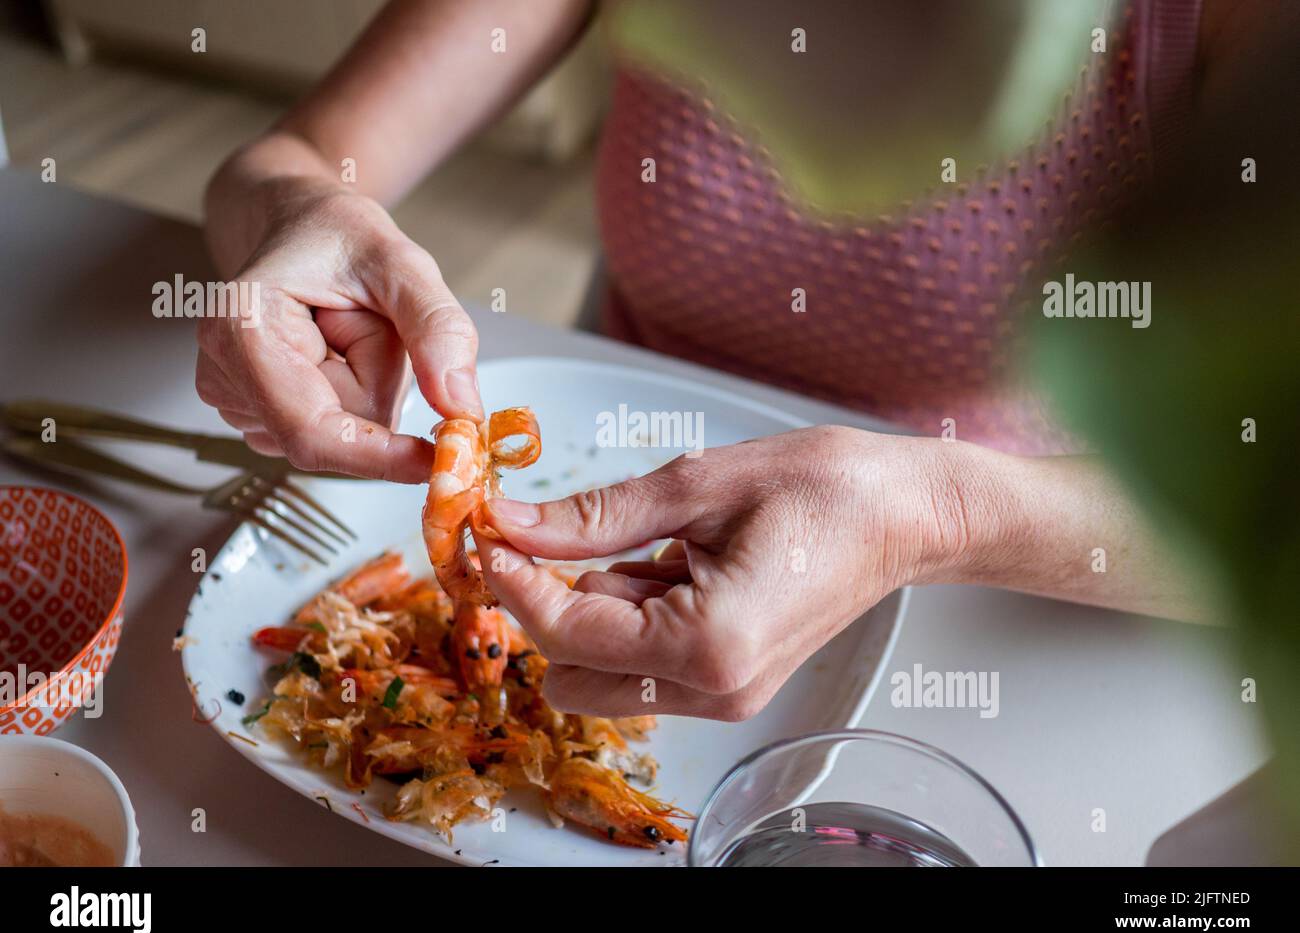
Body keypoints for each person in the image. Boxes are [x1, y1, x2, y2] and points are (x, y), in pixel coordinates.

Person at [197, 0, 1273, 719]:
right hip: (614, 446)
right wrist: (297, 208)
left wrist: (935, 515)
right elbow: (290, 157)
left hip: (1003, 585)